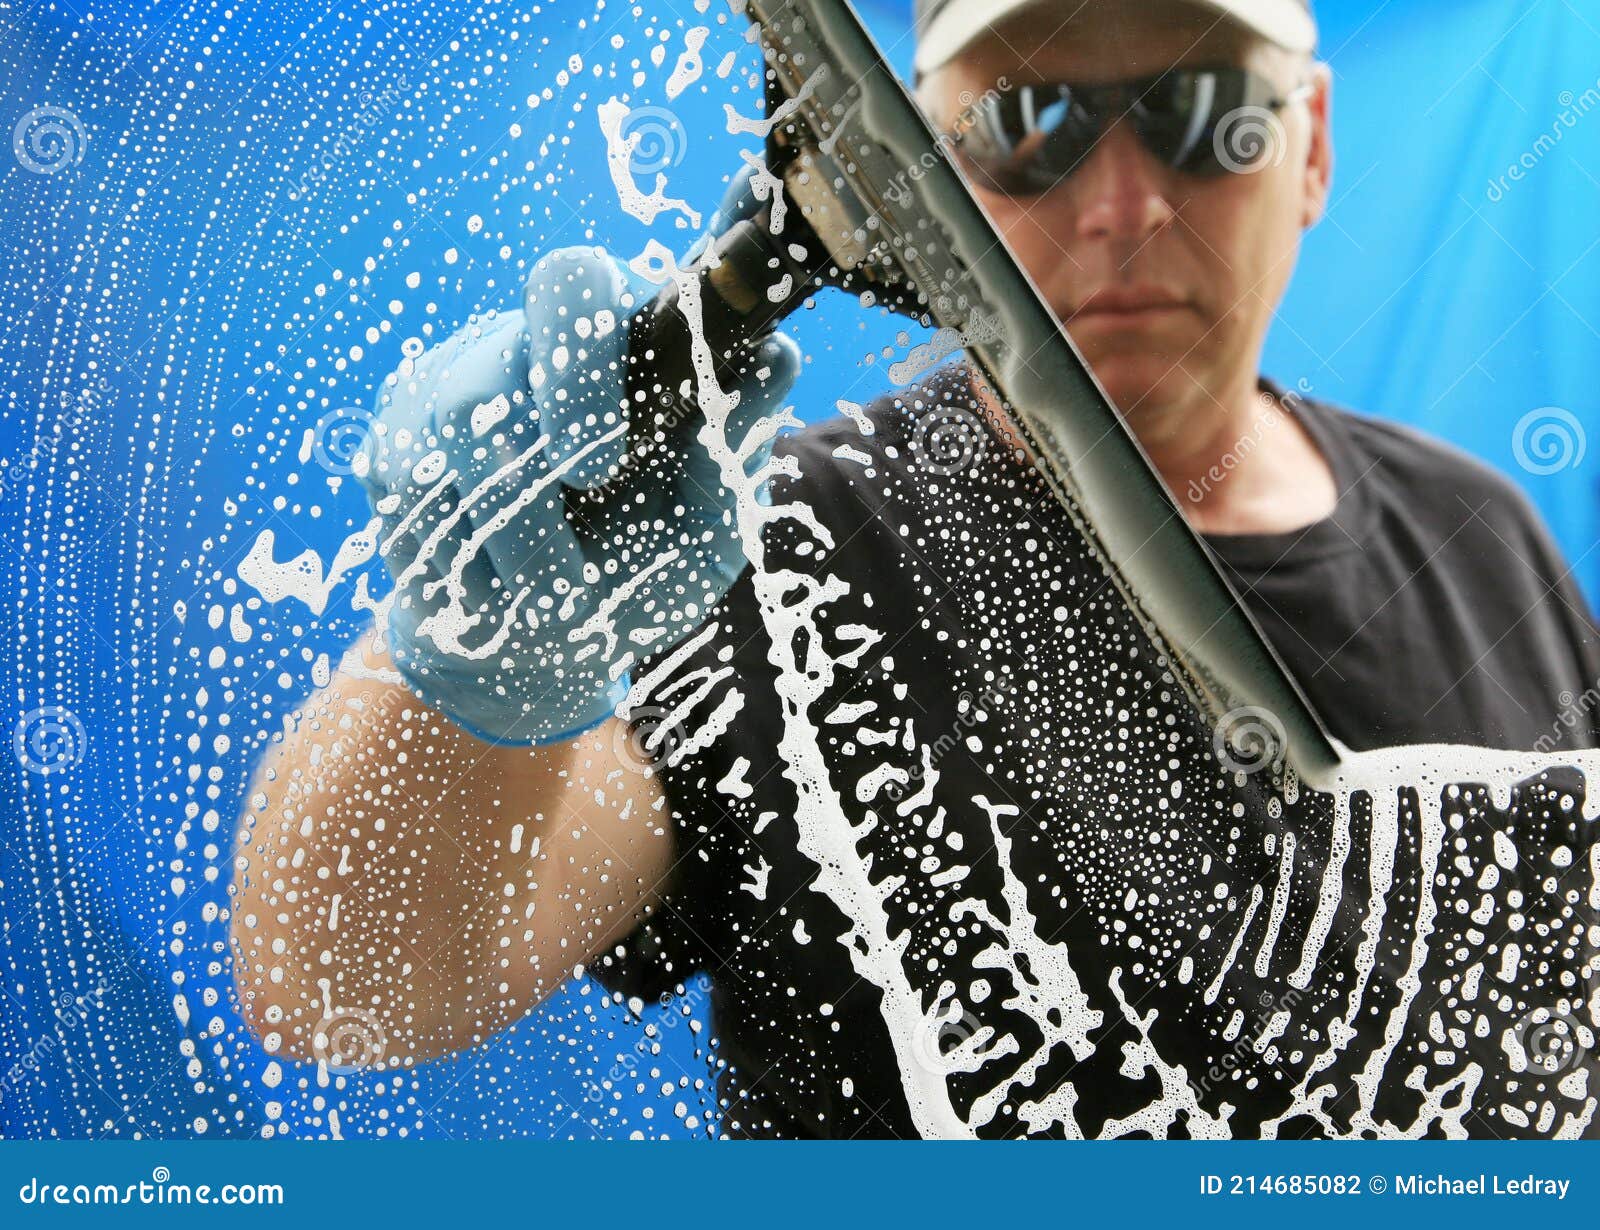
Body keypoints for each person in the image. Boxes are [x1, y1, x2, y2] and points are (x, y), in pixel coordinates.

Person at [231, 0, 1600, 1138]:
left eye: (1202, 116)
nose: (1123, 206)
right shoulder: (771, 551)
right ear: (928, 167)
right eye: (1026, 125)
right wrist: (474, 662)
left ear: (1309, 150)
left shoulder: (1486, 535)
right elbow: (335, 982)